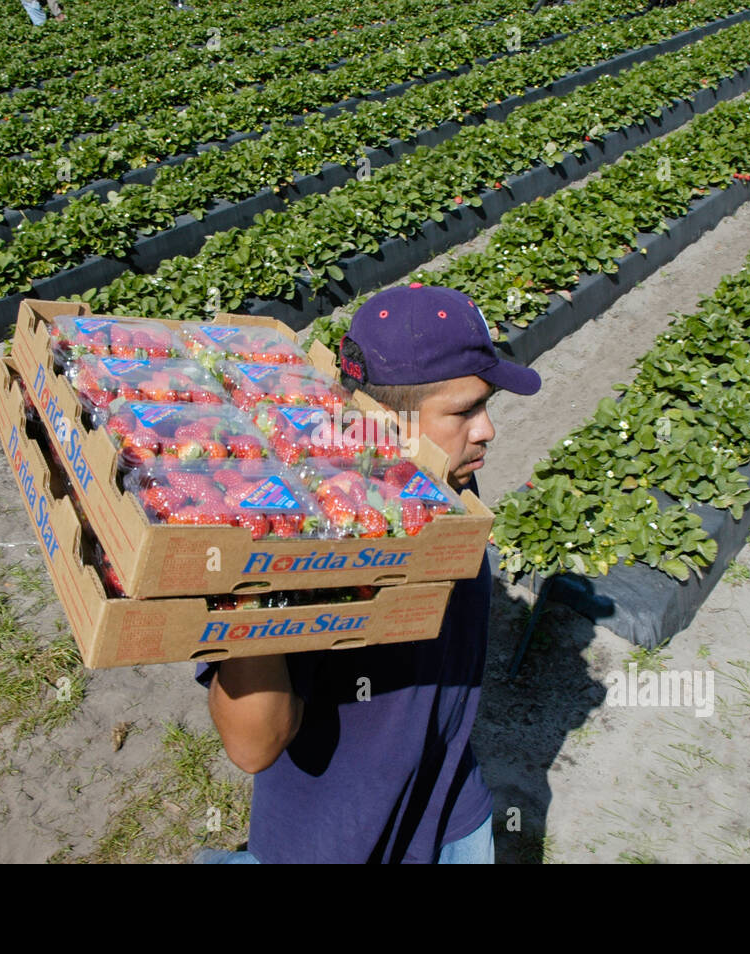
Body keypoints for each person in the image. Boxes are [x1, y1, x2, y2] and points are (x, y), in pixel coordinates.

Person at [194, 283, 541, 863]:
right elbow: (253, 745)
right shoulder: (310, 535)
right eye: (464, 411)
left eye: (486, 405)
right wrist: (252, 594)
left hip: (449, 806)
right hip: (333, 840)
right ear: (386, 422)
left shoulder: (449, 483)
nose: (487, 430)